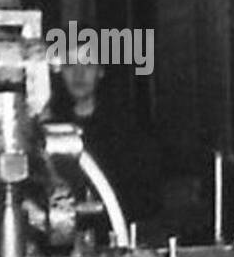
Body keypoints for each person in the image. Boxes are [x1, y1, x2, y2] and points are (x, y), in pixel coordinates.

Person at [50, 51, 163, 233]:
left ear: (100, 70)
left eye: (87, 65)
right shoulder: (48, 129)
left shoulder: (126, 129)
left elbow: (146, 198)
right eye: (70, 66)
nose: (79, 74)